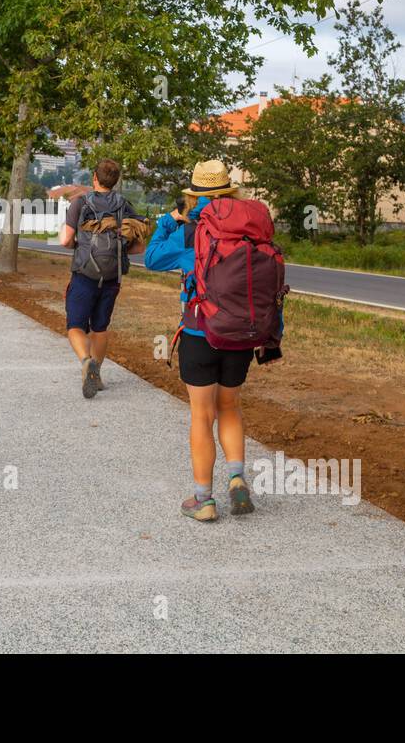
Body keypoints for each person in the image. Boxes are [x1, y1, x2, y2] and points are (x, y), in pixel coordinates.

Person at [144, 159, 282, 523]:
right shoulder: (253, 229)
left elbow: (151, 258)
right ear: (230, 192)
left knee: (202, 415)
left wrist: (169, 220)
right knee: (230, 408)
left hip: (199, 333)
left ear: (195, 195)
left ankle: (204, 500)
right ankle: (237, 478)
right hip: (242, 336)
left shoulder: (192, 230)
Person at [58, 158, 148, 399]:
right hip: (112, 277)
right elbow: (139, 248)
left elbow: (65, 241)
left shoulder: (80, 203)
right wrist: (116, 250)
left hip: (84, 274)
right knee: (100, 327)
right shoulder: (124, 205)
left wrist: (81, 246)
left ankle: (87, 362)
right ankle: (96, 376)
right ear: (115, 180)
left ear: (94, 178)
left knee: (75, 326)